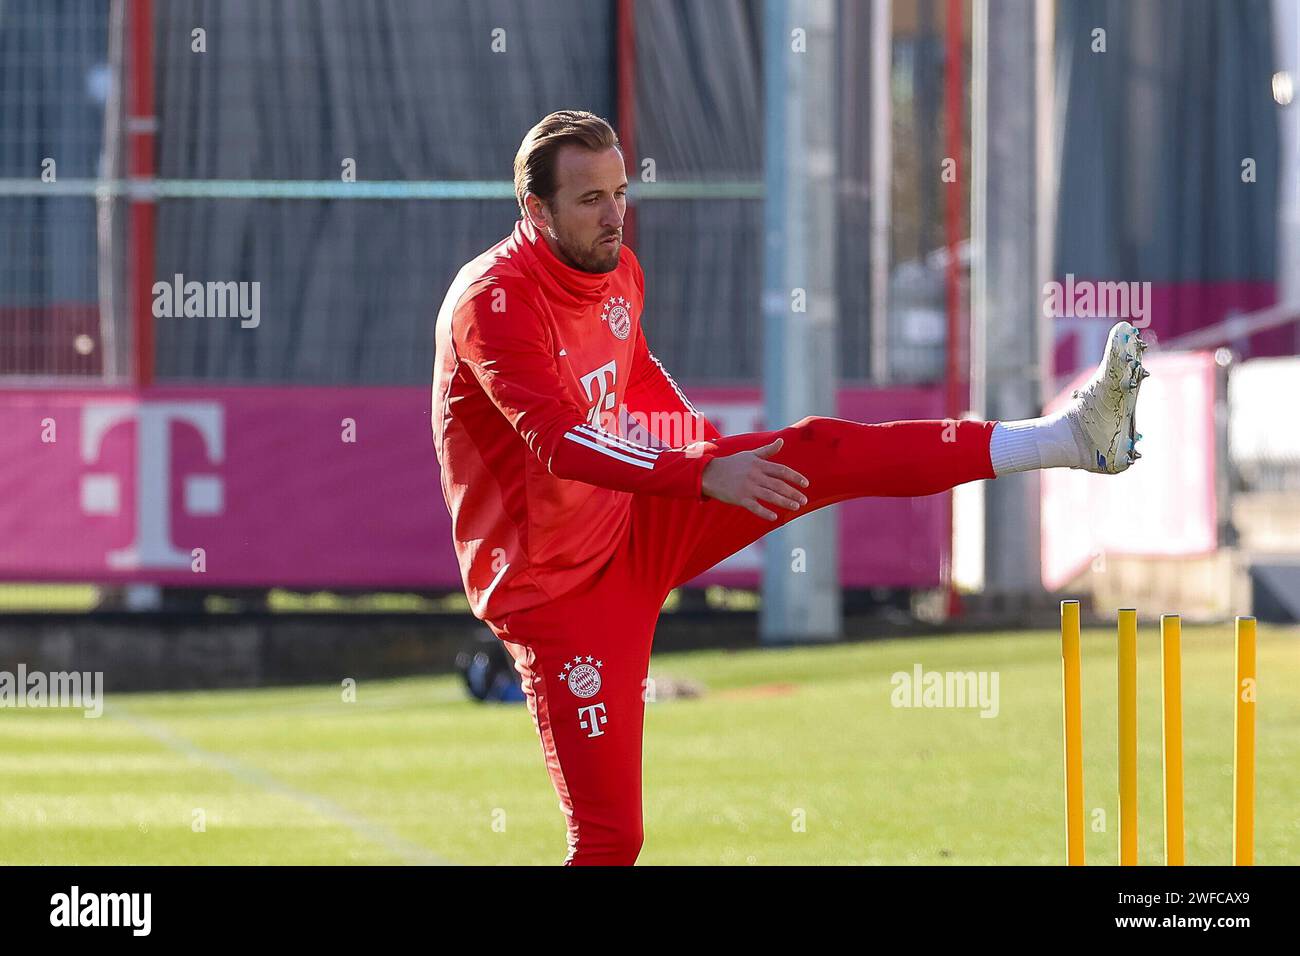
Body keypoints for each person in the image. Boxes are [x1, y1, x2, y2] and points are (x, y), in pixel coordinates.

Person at [431, 110, 1148, 865]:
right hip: (556, 593)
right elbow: (558, 441)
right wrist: (702, 472)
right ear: (535, 209)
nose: (615, 217)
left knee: (820, 450)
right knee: (612, 839)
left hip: (632, 524)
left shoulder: (616, 269)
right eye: (590, 200)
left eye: (620, 192)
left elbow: (636, 375)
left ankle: (1071, 439)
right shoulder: (492, 302)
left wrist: (704, 445)